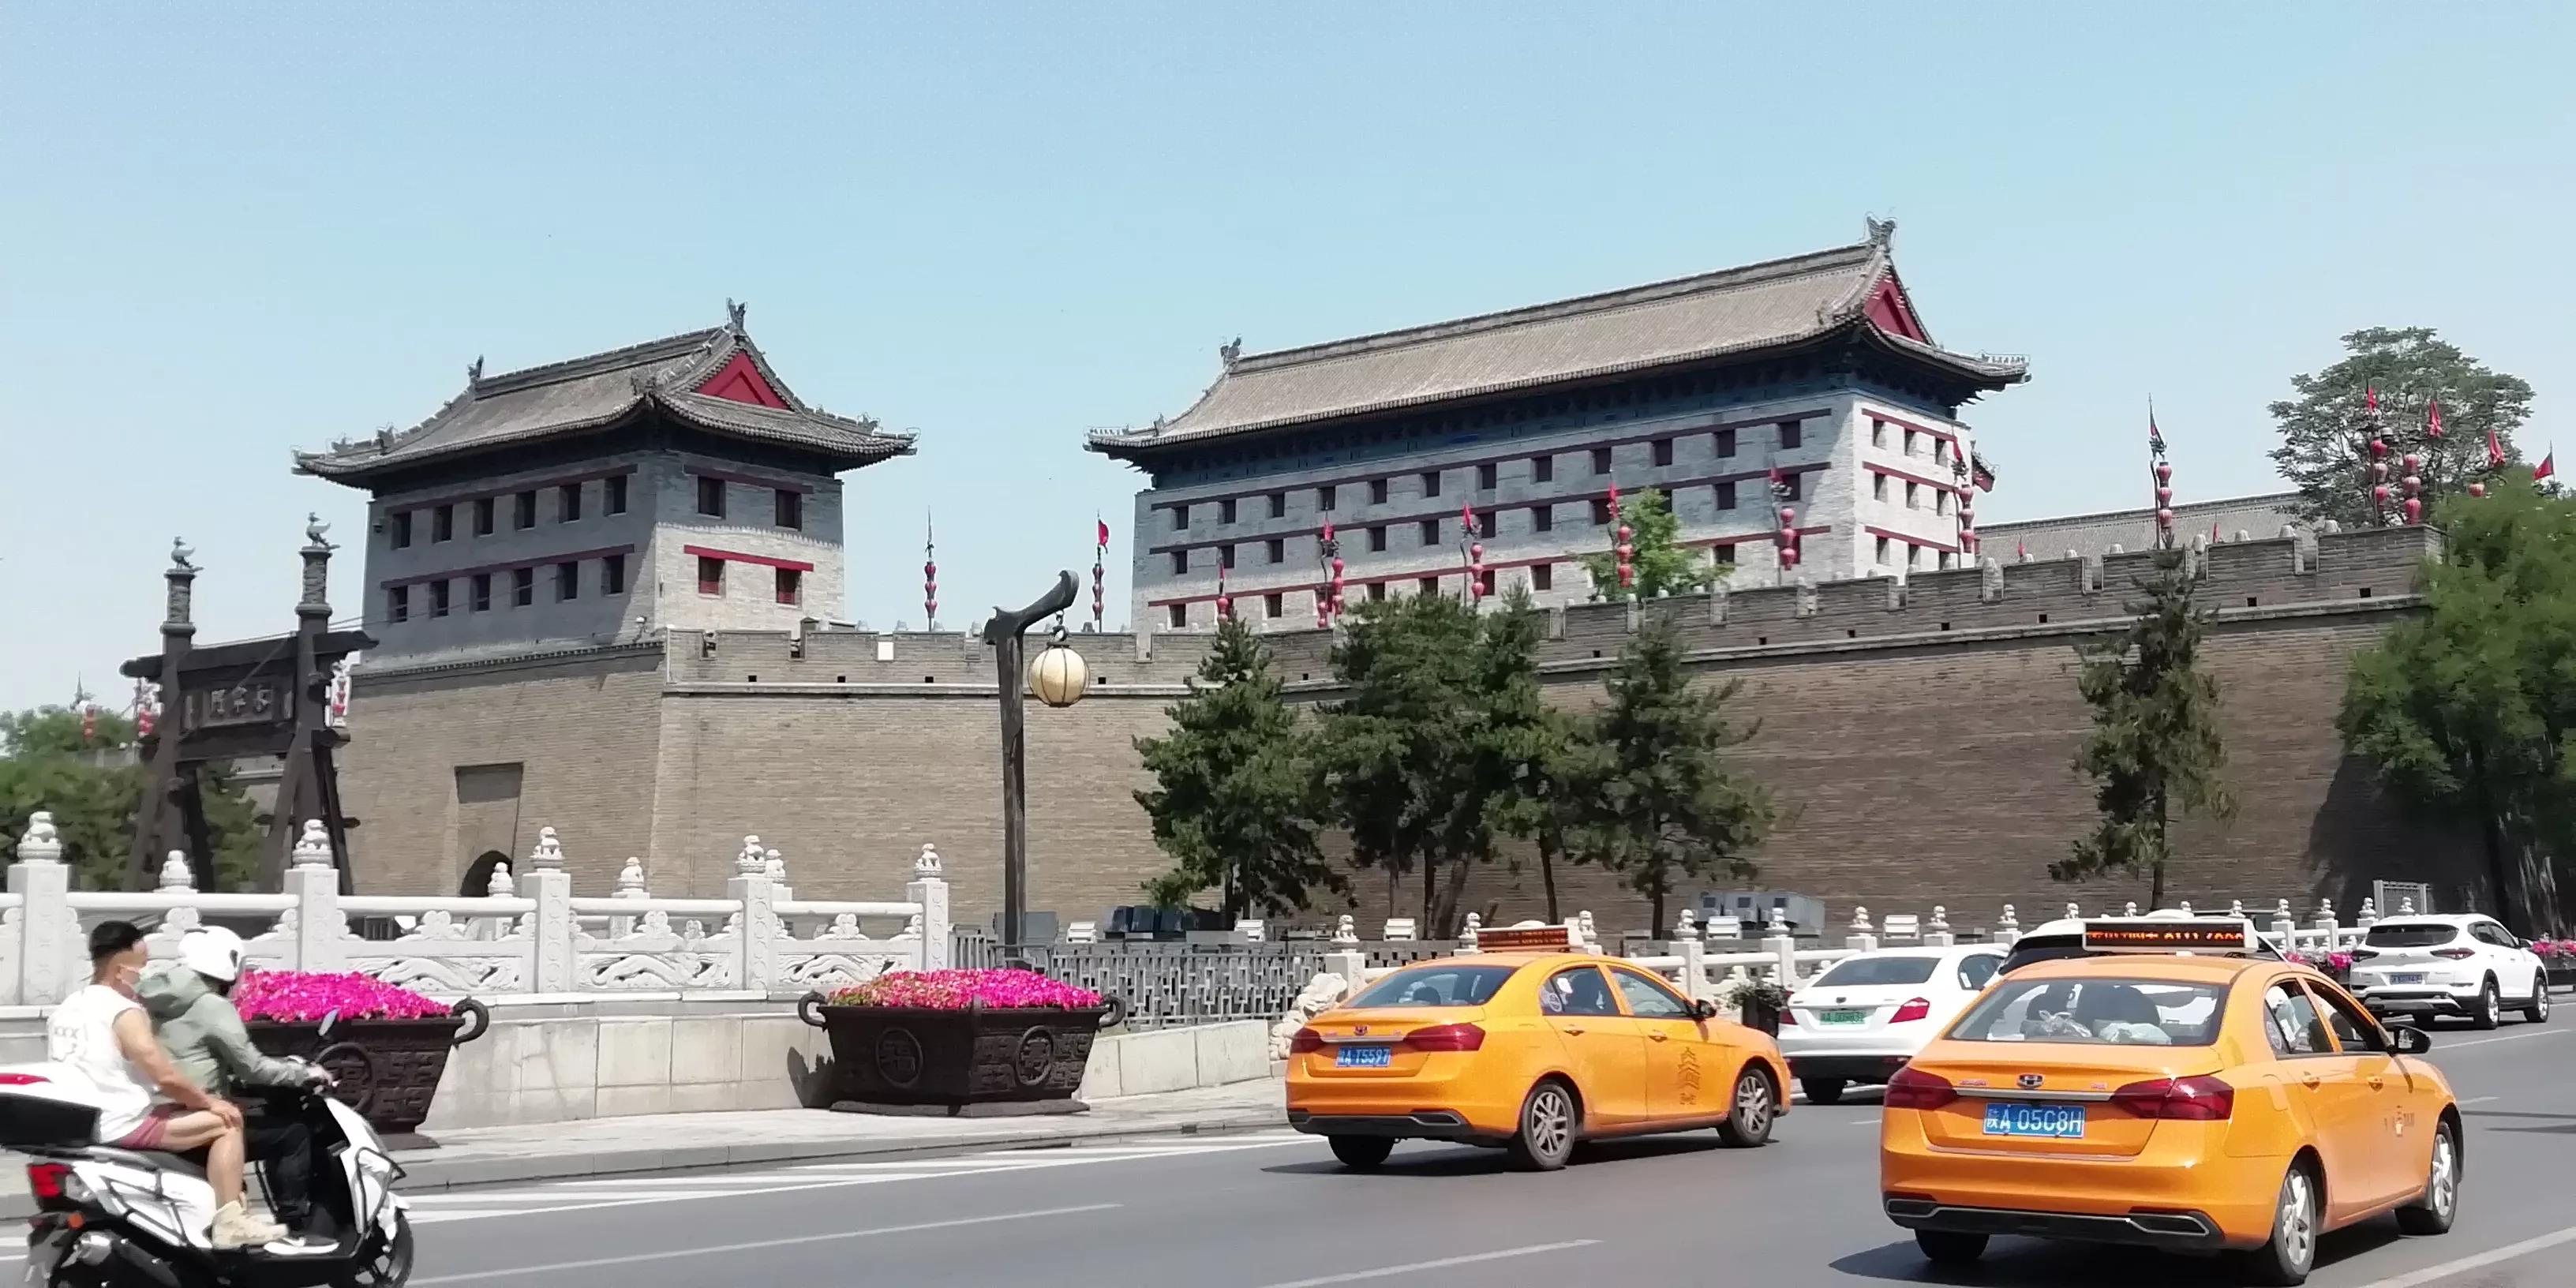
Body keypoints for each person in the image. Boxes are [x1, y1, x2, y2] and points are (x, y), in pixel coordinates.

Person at [47, 921, 287, 1249]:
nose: (145, 977)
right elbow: (166, 1077)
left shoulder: (69, 1006)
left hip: (79, 1119)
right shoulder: (124, 1011)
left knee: (180, 1109)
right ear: (121, 969)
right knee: (227, 1122)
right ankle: (231, 1221)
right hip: (118, 1121)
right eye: (141, 967)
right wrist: (211, 1102)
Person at [140, 927, 334, 1238]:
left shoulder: (155, 1000)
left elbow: (191, 1056)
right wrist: (304, 1074)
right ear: (229, 966)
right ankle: (296, 1224)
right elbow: (252, 1068)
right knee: (292, 1133)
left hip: (158, 1110)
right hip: (198, 1114)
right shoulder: (212, 1005)